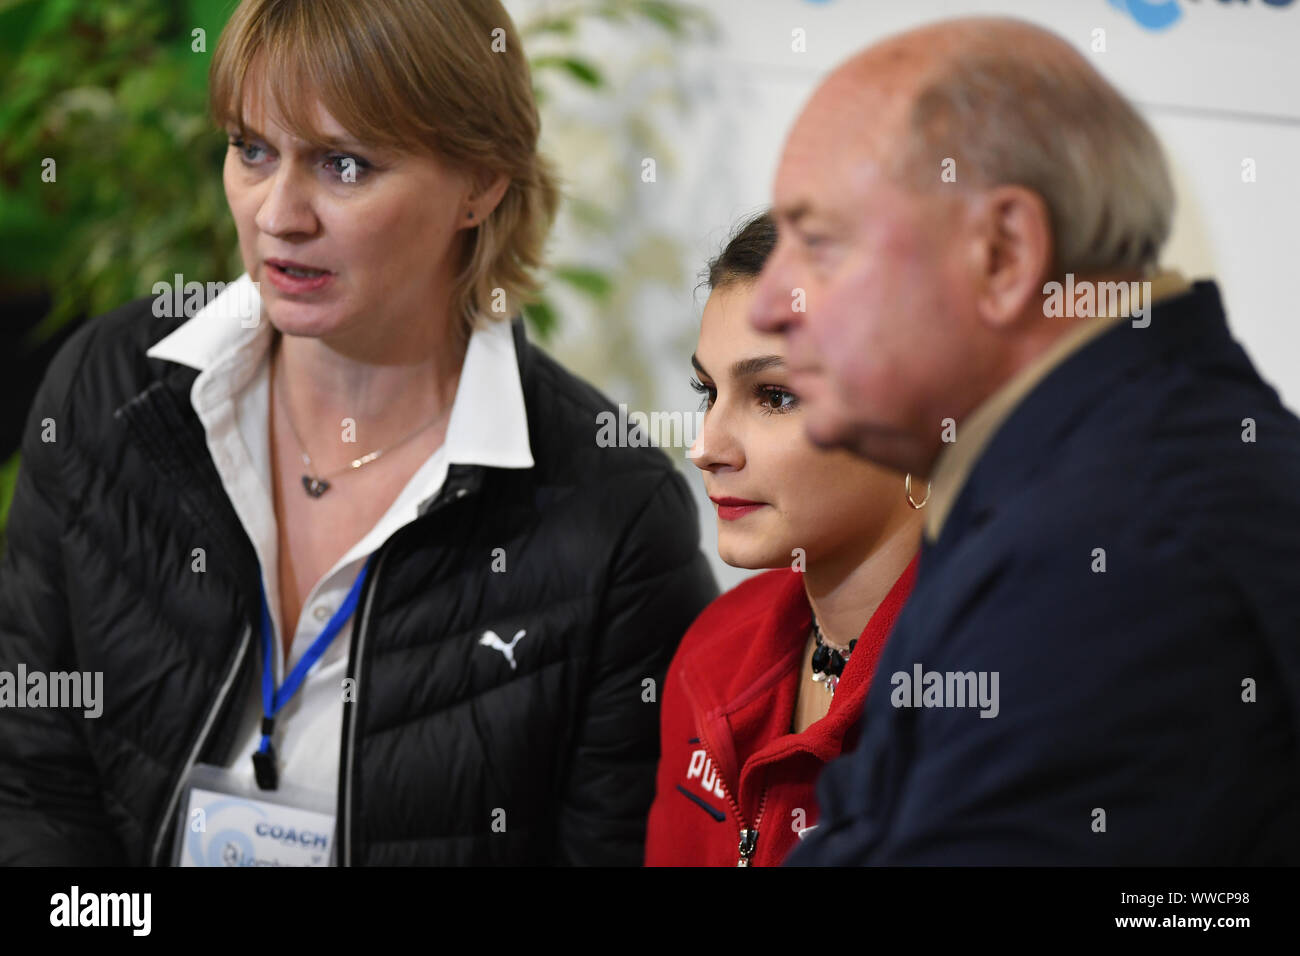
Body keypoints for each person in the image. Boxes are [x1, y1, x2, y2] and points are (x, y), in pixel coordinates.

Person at [0, 0, 717, 866]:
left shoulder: (614, 514)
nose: (278, 213)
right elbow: (32, 778)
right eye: (252, 150)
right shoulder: (108, 389)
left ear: (481, 182)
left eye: (344, 165)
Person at [750, 16, 1300, 864]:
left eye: (818, 243)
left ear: (1004, 254)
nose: (771, 304)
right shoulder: (1090, 475)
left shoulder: (1110, 552)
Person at [643, 211, 921, 866]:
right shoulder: (715, 649)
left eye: (774, 396)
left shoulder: (1015, 702)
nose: (705, 447)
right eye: (706, 391)